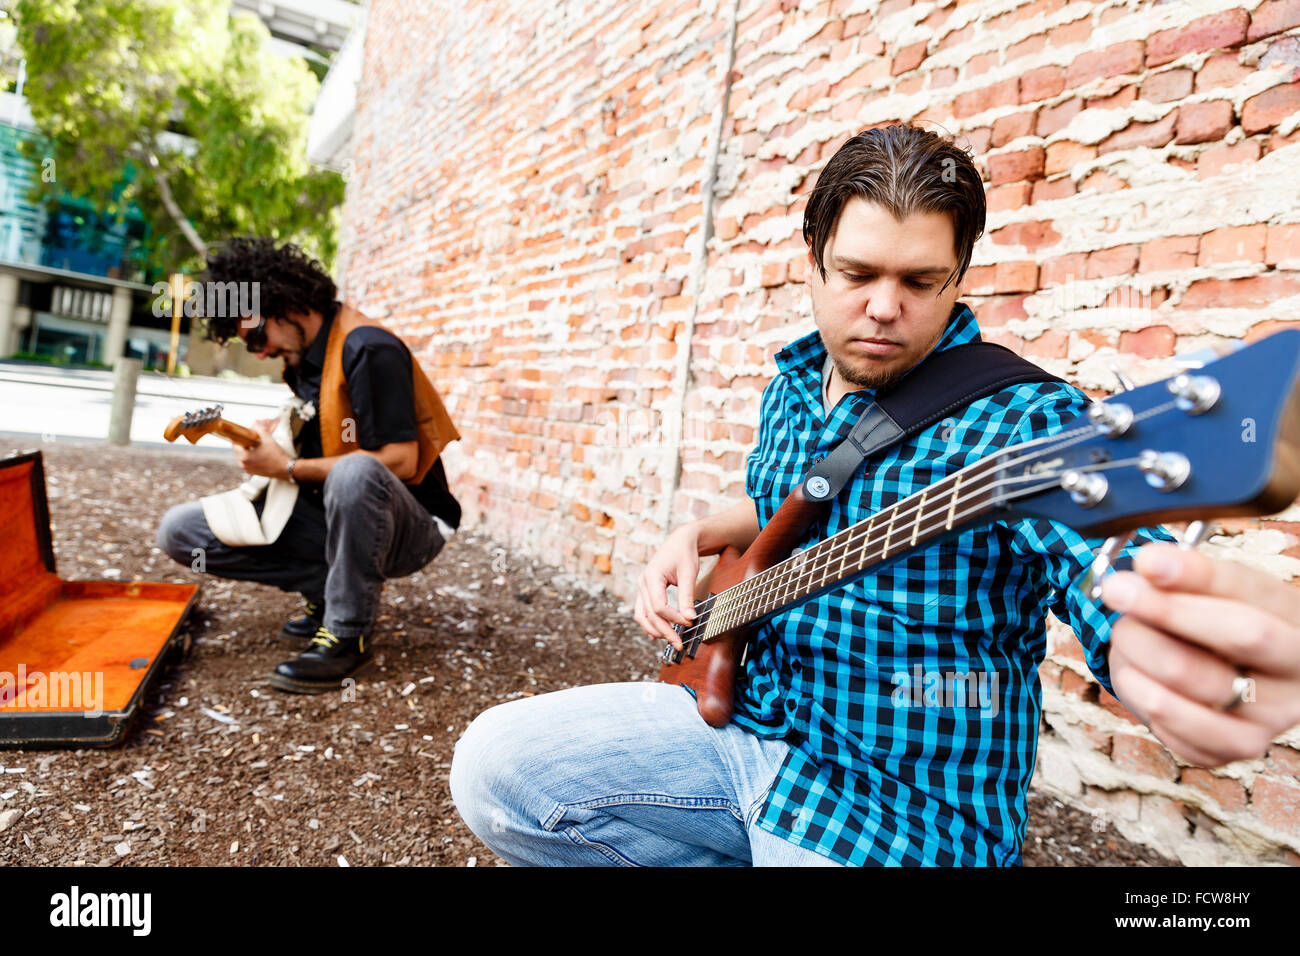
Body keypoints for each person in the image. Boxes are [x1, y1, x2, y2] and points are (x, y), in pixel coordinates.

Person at [448, 124, 1300, 865]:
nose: (883, 309)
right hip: (744, 725)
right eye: (856, 273)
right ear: (811, 258)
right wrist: (701, 528)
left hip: (894, 813)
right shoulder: (792, 382)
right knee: (496, 770)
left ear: (960, 275)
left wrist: (1177, 657)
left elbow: (1111, 567)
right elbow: (783, 499)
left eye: (920, 282)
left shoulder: (1028, 425)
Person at [156, 238, 462, 693]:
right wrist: (278, 436)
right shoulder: (302, 358)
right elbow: (329, 435)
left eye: (258, 338)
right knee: (179, 530)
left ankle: (348, 635)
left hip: (411, 528)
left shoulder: (368, 349)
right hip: (343, 517)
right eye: (248, 345)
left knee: (355, 474)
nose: (259, 353)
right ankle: (329, 587)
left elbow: (399, 460)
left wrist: (286, 469)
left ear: (287, 304)